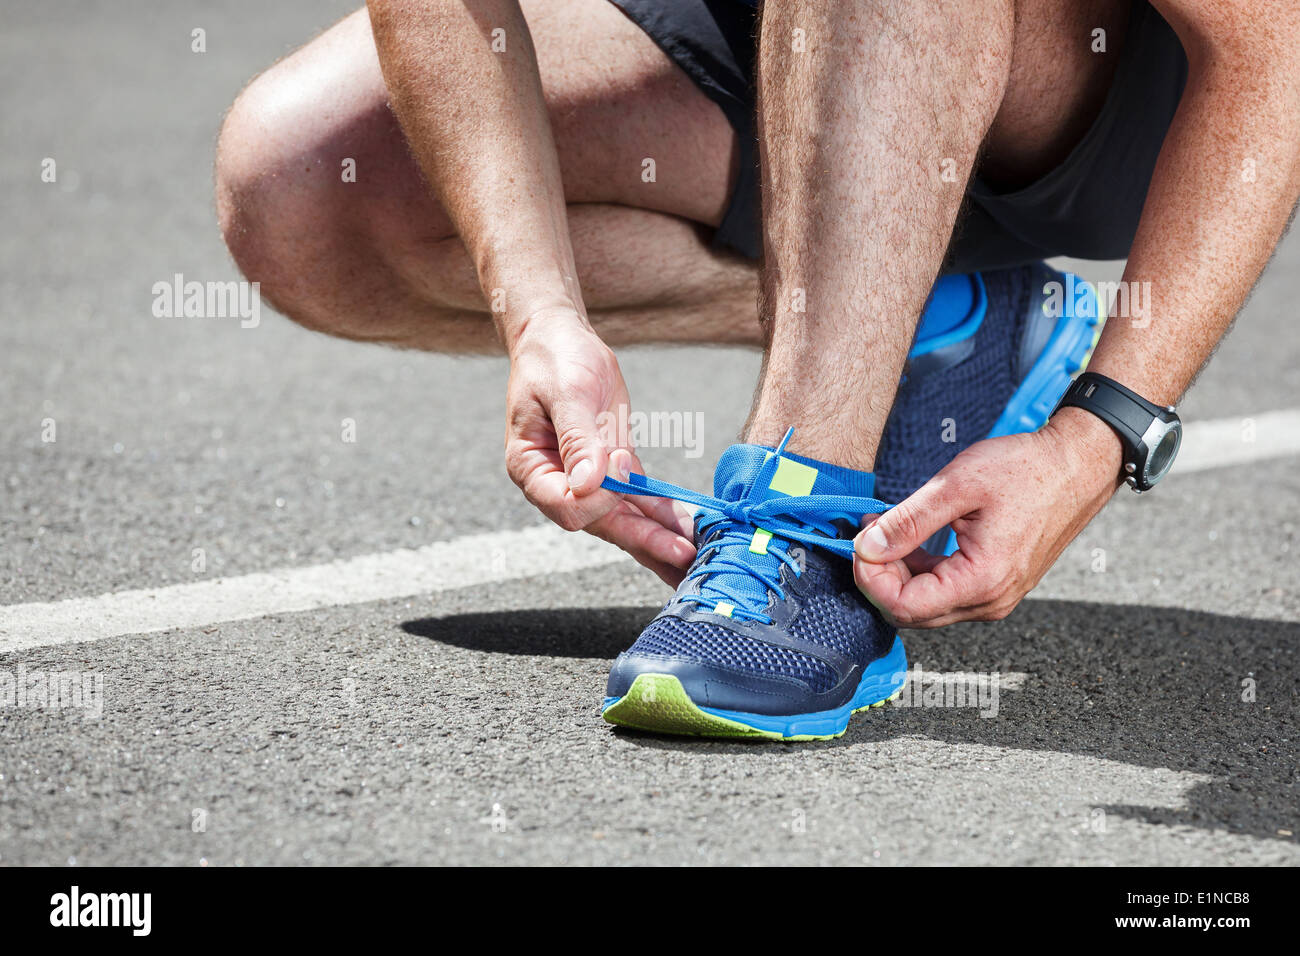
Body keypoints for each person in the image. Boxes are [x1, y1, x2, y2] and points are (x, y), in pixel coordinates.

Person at [215, 1, 1300, 739]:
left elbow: (1274, 46)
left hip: (1086, 94)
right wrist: (541, 309)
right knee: (306, 186)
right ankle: (942, 319)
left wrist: (1097, 433)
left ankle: (802, 501)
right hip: (783, 39)